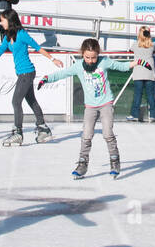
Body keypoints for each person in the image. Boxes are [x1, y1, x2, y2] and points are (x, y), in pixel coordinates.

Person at [39, 38, 123, 178]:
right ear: (82, 54)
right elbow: (62, 73)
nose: (90, 60)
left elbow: (122, 66)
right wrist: (47, 78)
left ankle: (115, 161)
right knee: (86, 136)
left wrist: (139, 62)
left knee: (108, 134)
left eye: (93, 57)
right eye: (87, 57)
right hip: (90, 107)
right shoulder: (78, 66)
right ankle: (82, 164)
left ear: (98, 54)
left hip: (106, 104)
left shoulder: (104, 62)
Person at [0, 9, 60, 146]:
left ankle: (18, 132)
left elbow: (37, 47)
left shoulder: (22, 34)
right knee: (31, 101)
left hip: (27, 72)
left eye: (3, 20)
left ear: (10, 20)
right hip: (22, 73)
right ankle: (43, 129)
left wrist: (53, 59)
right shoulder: (7, 36)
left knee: (16, 101)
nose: (1, 22)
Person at [127, 26, 155, 122]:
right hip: (149, 72)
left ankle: (135, 115)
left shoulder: (135, 44)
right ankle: (153, 115)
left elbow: (130, 50)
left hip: (138, 72)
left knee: (138, 94)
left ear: (139, 34)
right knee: (150, 95)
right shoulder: (152, 45)